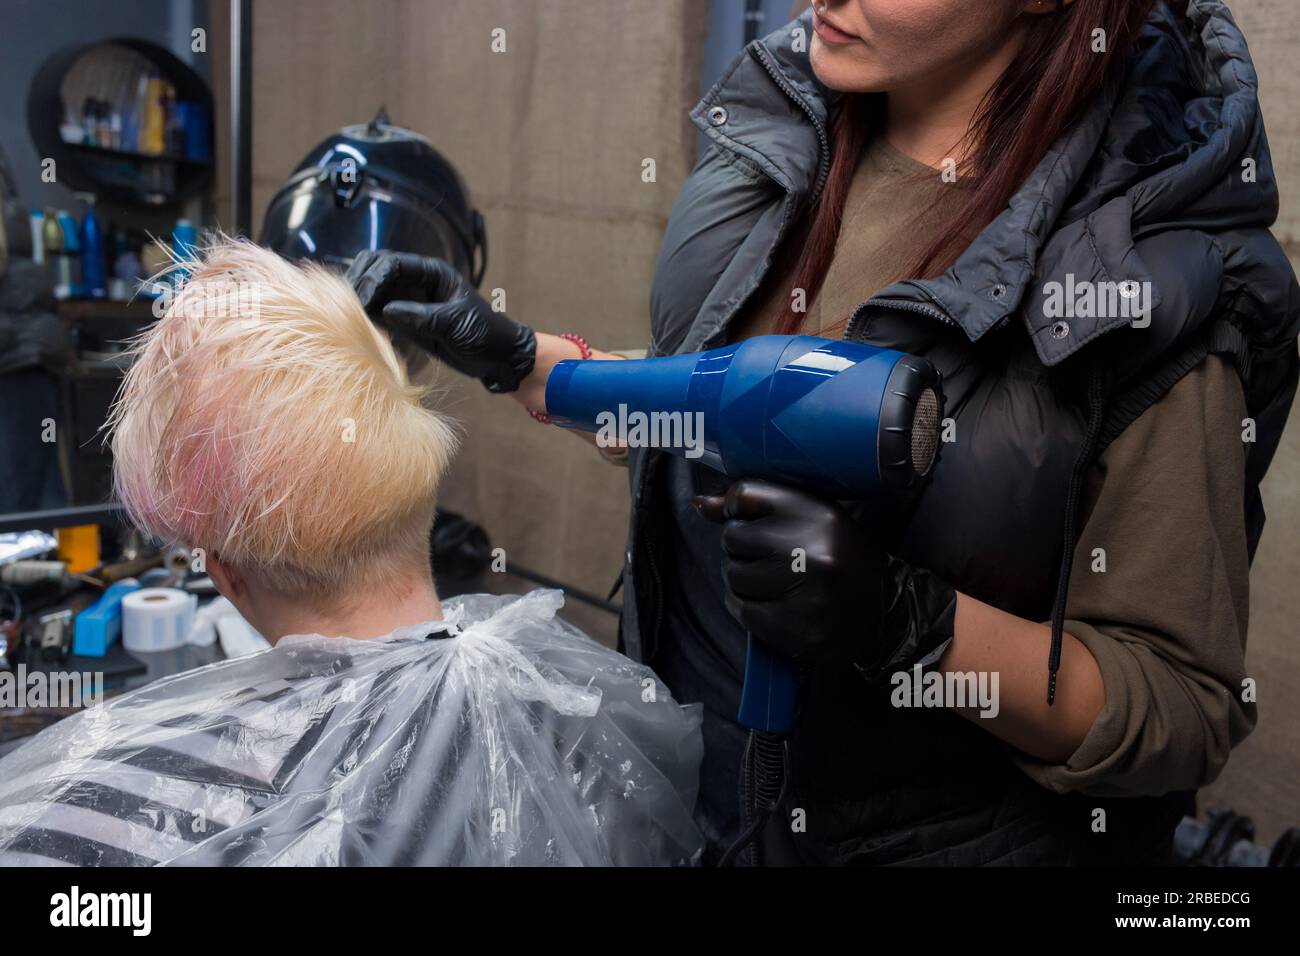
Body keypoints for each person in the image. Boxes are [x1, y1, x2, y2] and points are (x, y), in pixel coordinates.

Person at [349, 0, 1300, 865]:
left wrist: (912, 627)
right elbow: (719, 405)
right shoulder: (786, 131)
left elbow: (1179, 707)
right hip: (698, 804)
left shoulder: (1151, 277)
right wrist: (526, 363)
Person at [0, 238, 704, 866]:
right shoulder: (589, 723)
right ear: (419, 490)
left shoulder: (91, 816)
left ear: (225, 575)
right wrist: (522, 359)